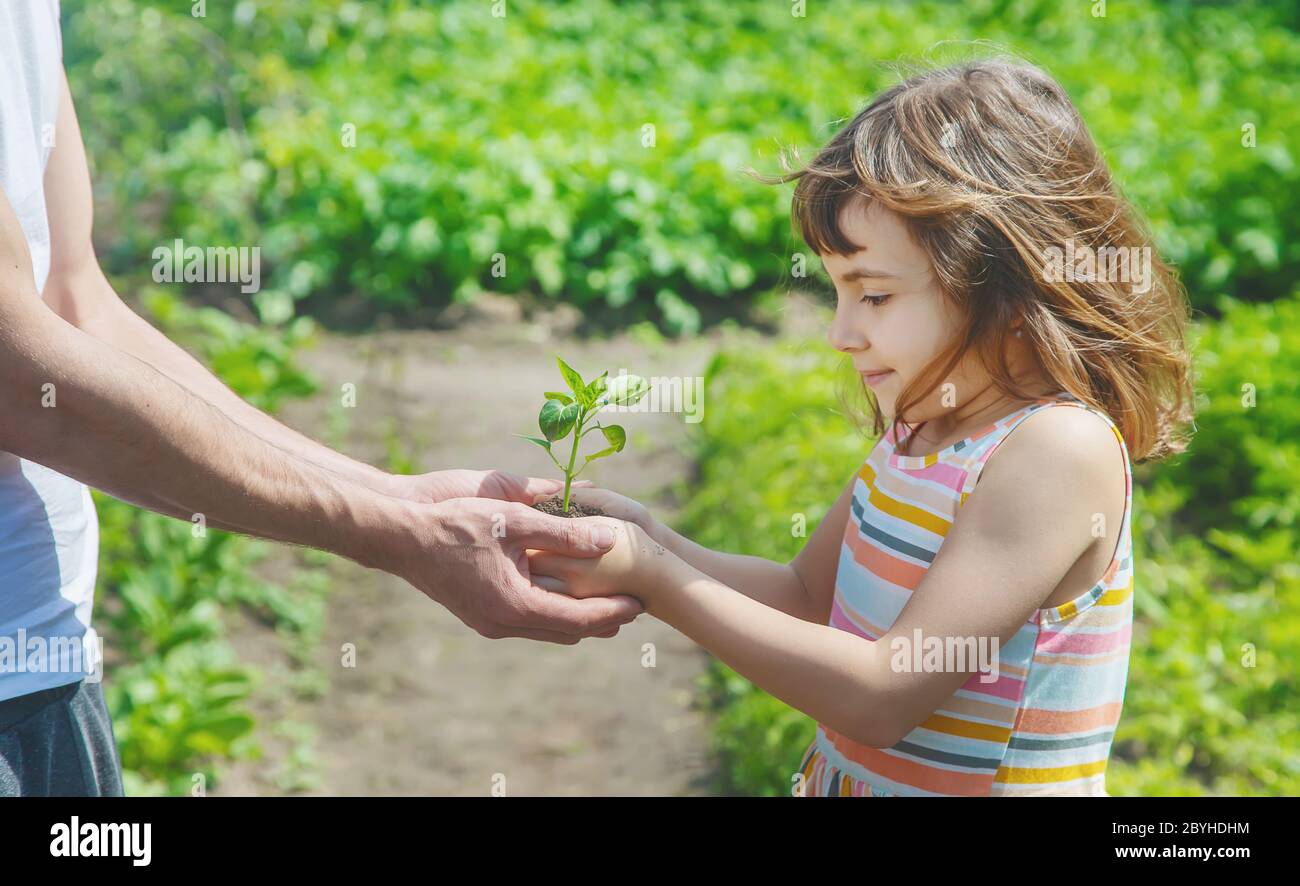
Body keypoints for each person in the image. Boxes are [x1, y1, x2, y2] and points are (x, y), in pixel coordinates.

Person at [0, 0, 639, 797]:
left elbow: (72, 300)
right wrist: (397, 534)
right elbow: (19, 374)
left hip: (50, 666)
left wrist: (395, 497)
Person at [530, 57, 1196, 797]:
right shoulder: (920, 432)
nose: (841, 334)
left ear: (1009, 285)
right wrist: (650, 541)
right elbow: (805, 598)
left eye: (873, 296)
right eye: (836, 294)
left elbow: (882, 698)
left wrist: (654, 577)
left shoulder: (1052, 452)